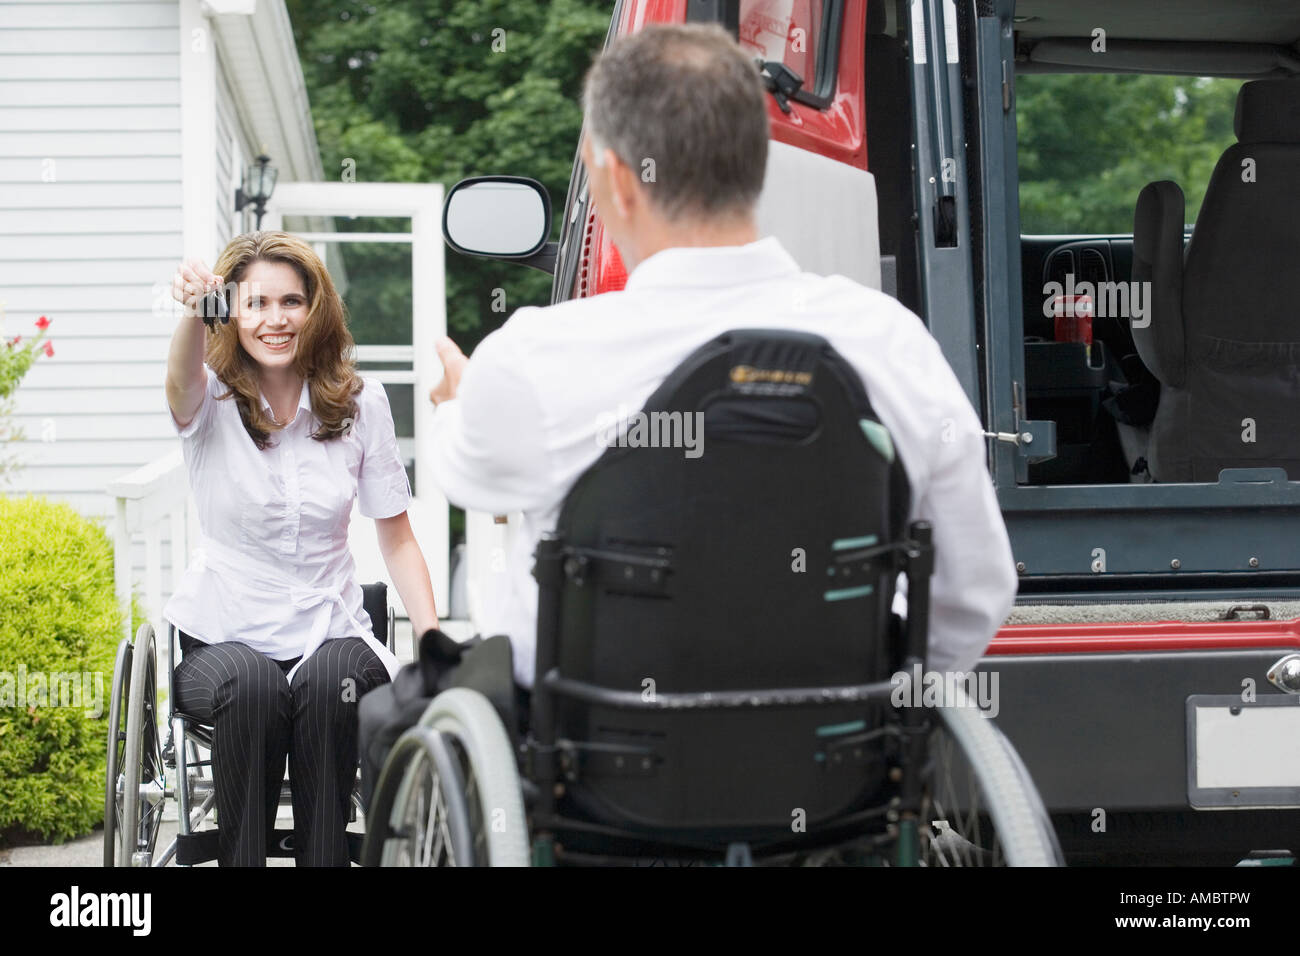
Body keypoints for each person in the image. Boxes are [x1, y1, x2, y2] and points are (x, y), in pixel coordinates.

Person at [369, 23, 1016, 763]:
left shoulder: (536, 356)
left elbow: (468, 475)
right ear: (758, 162)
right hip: (831, 774)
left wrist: (460, 401)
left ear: (615, 178)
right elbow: (977, 588)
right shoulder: (888, 341)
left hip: (597, 779)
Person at [163, 231, 440, 867]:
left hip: (331, 627)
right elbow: (180, 382)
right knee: (255, 686)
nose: (275, 319)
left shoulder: (360, 402)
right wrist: (192, 312)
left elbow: (394, 534)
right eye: (255, 303)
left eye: (292, 301)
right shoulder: (210, 398)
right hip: (222, 638)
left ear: (317, 308)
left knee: (333, 680)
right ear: (230, 312)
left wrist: (430, 641)